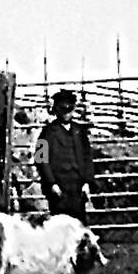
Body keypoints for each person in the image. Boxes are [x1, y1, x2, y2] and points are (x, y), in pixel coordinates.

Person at [34, 89, 95, 223]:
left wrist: (86, 182)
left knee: (78, 227)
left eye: (70, 109)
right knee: (60, 228)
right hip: (59, 189)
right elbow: (40, 159)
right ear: (56, 109)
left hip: (77, 188)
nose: (66, 113)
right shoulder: (47, 133)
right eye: (63, 109)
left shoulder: (79, 131)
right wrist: (51, 183)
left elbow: (87, 158)